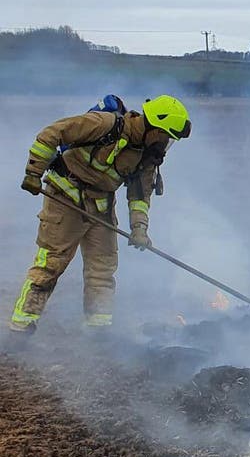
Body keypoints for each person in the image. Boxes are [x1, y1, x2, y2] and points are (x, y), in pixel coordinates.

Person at [9, 95, 191, 335]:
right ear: (155, 129)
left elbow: (139, 196)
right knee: (51, 263)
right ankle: (22, 325)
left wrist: (139, 229)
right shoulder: (104, 124)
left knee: (102, 268)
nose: (166, 143)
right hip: (65, 197)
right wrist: (33, 172)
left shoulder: (147, 156)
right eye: (167, 136)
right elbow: (51, 133)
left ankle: (98, 329)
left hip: (101, 206)